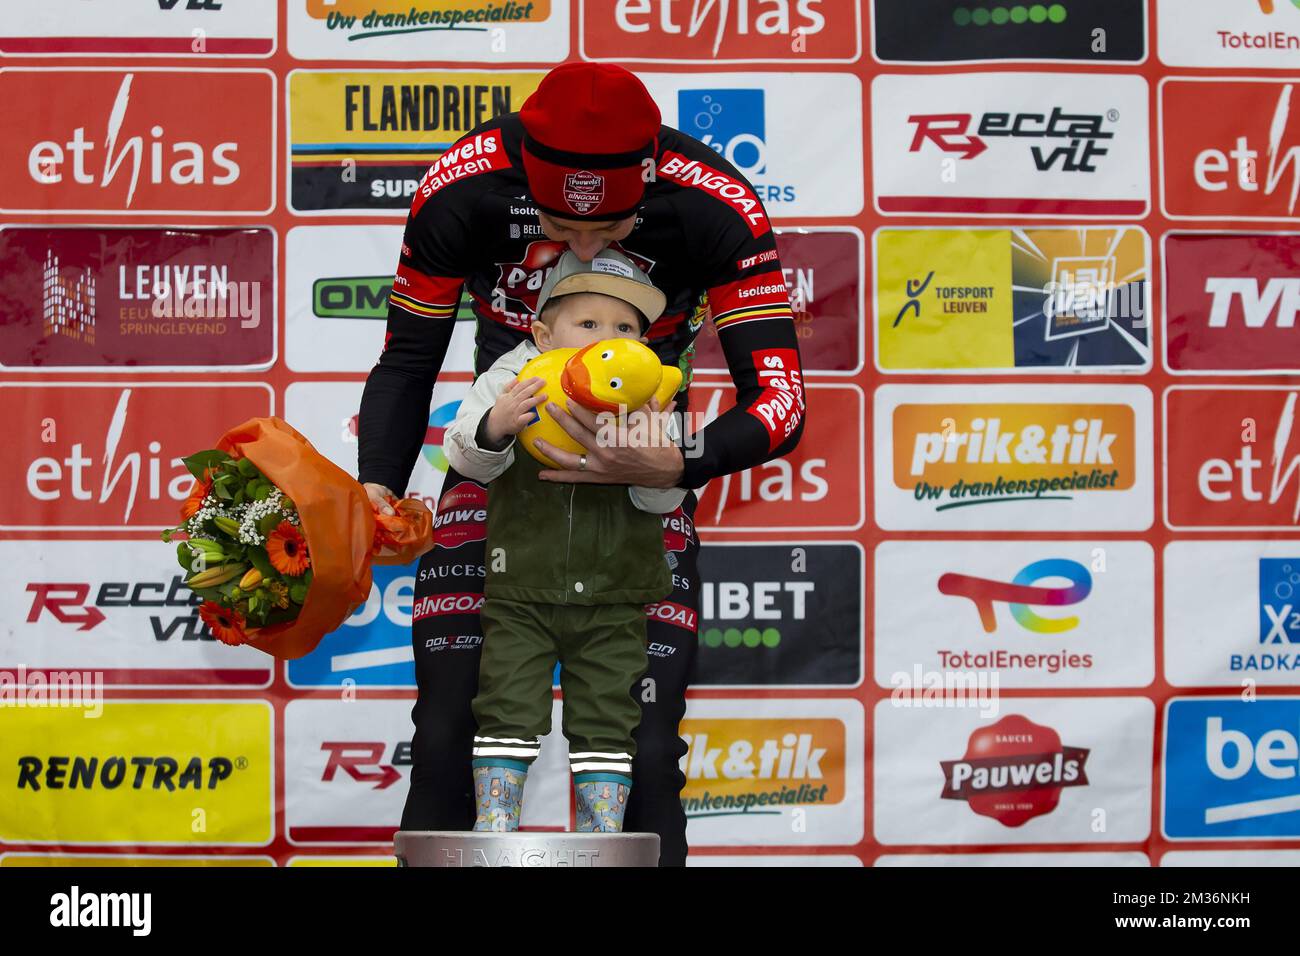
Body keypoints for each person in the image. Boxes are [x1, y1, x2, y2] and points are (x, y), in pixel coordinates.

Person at [357, 62, 806, 865]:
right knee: (449, 737)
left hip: (642, 488)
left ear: (650, 176)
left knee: (647, 753)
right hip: (495, 475)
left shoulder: (715, 201)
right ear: (528, 173)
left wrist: (680, 462)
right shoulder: (463, 186)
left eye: (615, 228)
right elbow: (407, 358)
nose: (588, 247)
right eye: (563, 226)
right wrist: (376, 491)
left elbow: (780, 402)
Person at [443, 249, 684, 833]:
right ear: (542, 331)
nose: (608, 338)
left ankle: (602, 838)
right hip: (521, 588)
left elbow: (665, 502)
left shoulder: (651, 398)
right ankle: (494, 827)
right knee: (504, 706)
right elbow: (463, 456)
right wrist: (496, 425)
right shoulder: (509, 380)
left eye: (625, 328)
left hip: (615, 595)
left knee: (608, 716)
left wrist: (653, 462)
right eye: (589, 323)